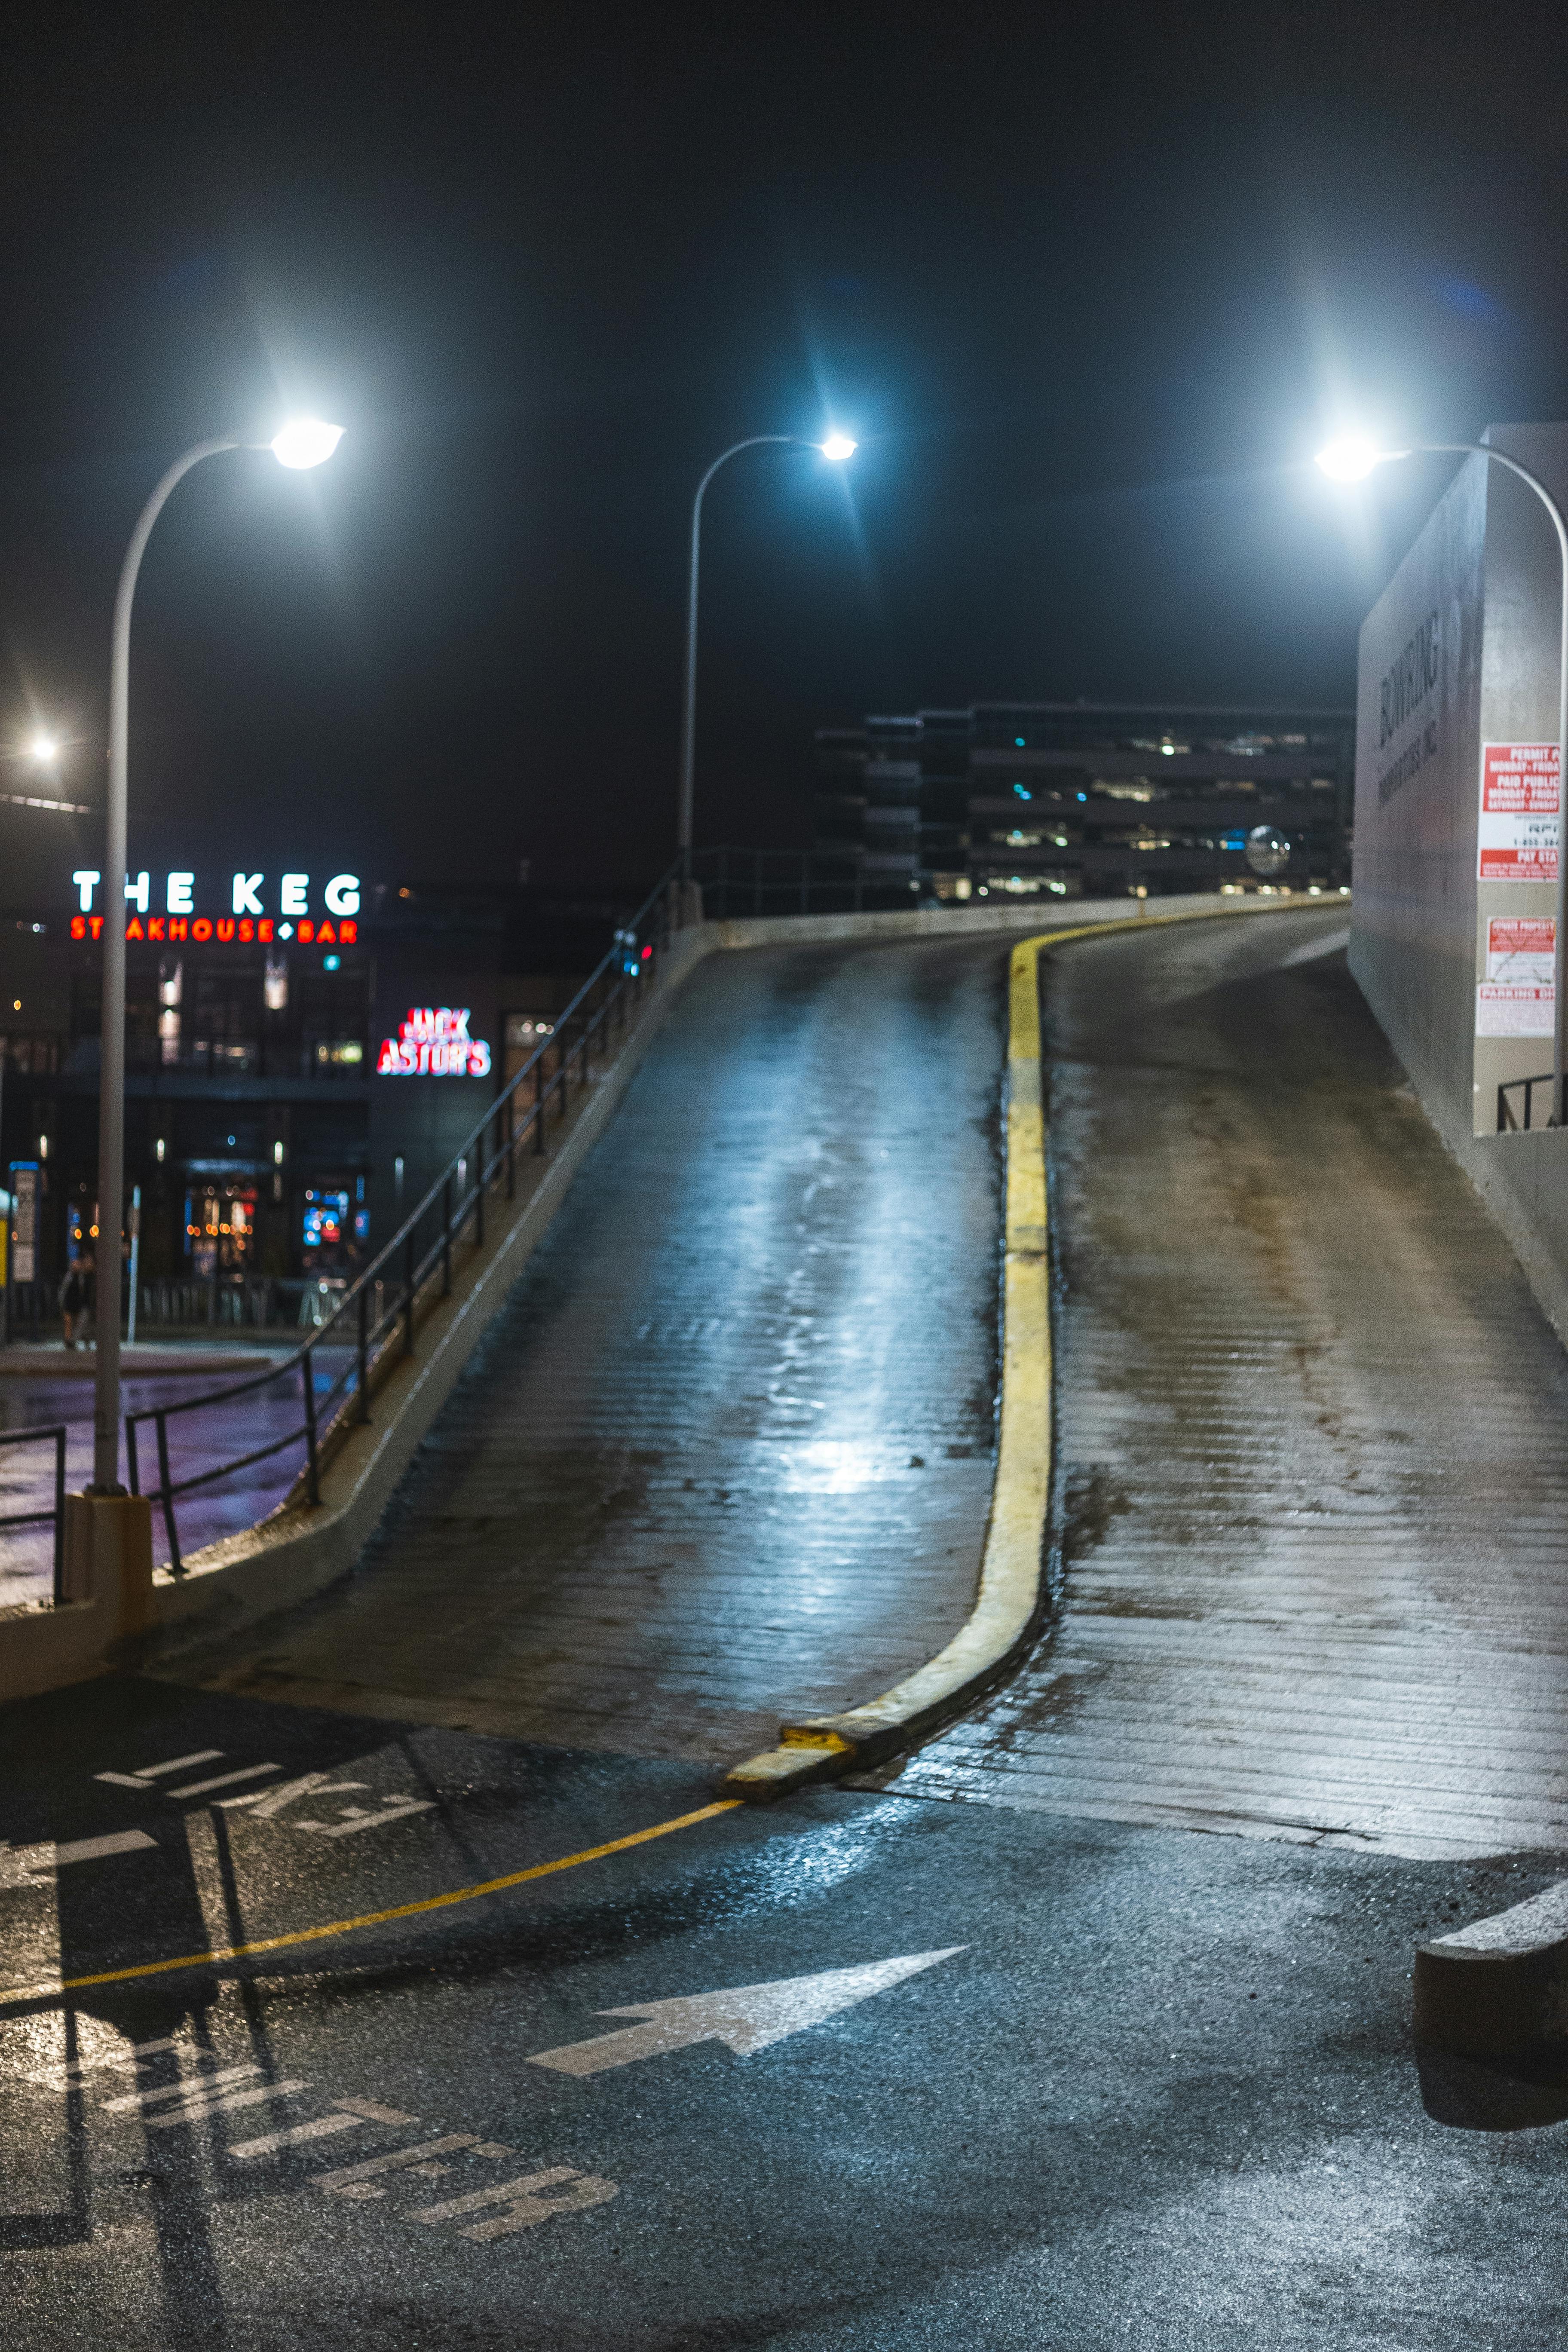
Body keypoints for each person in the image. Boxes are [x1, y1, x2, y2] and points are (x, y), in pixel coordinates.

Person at [59, 1251, 95, 1349]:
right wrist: (62, 1303)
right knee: (74, 1323)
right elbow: (64, 1290)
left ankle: (75, 1341)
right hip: (72, 1304)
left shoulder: (83, 1276)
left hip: (81, 1304)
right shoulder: (72, 1277)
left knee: (82, 1324)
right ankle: (71, 1341)